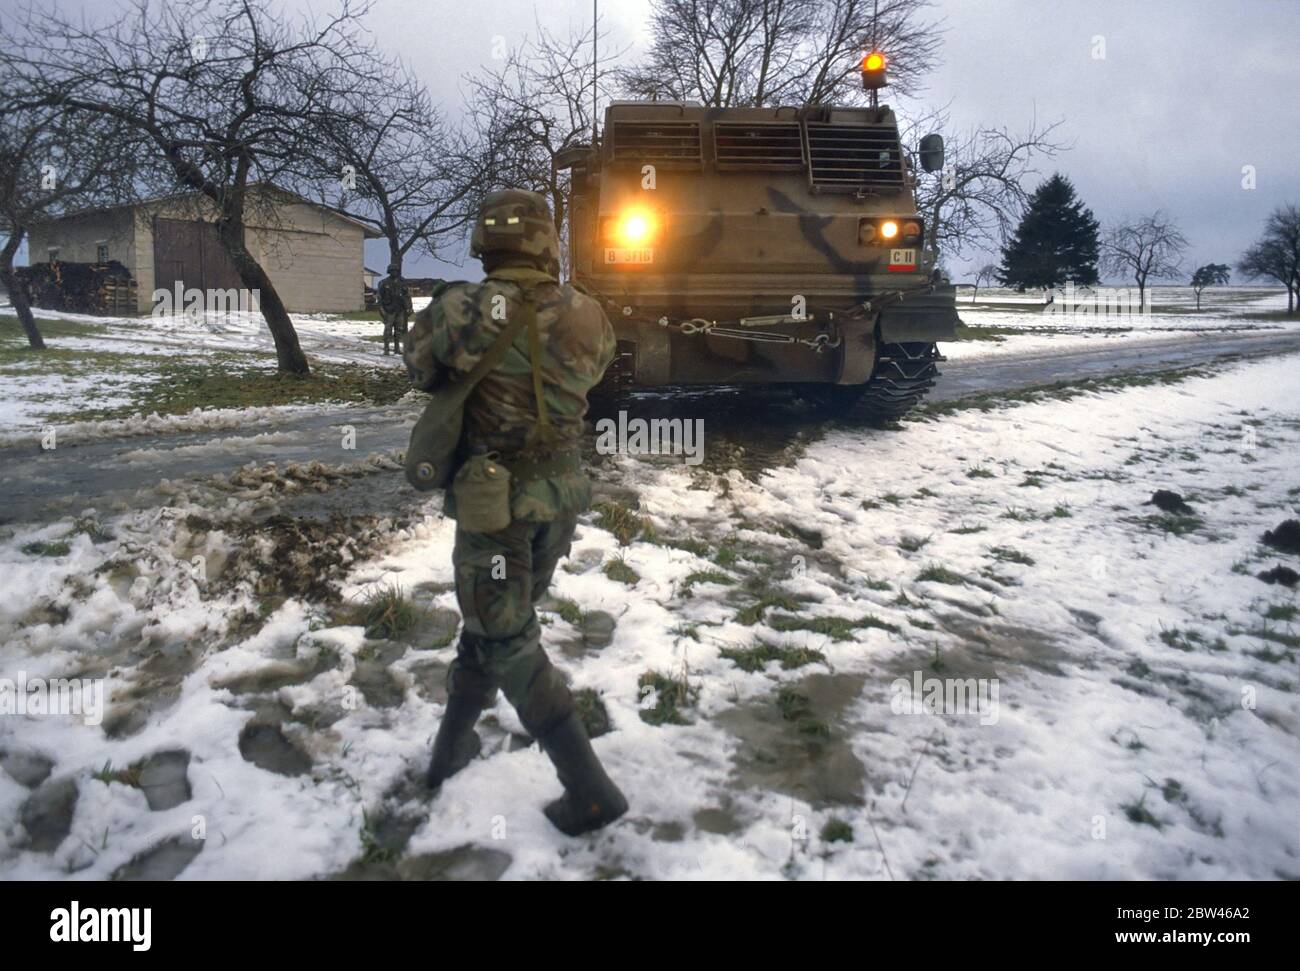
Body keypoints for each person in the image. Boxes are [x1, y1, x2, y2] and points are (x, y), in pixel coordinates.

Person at [403, 188, 627, 837]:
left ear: (485, 242)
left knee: (504, 636)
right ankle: (448, 754)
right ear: (544, 241)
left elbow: (419, 370)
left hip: (492, 504)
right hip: (558, 499)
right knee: (493, 626)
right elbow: (600, 369)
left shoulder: (457, 308)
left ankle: (589, 789)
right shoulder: (587, 311)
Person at [378, 263, 413, 355]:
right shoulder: (384, 283)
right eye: (392, 271)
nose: (394, 272)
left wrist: (410, 307)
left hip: (400, 309)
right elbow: (380, 298)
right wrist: (382, 310)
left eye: (396, 271)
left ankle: (397, 348)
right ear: (389, 272)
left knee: (399, 330)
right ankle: (386, 349)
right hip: (389, 309)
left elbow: (407, 296)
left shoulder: (402, 282)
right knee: (388, 330)